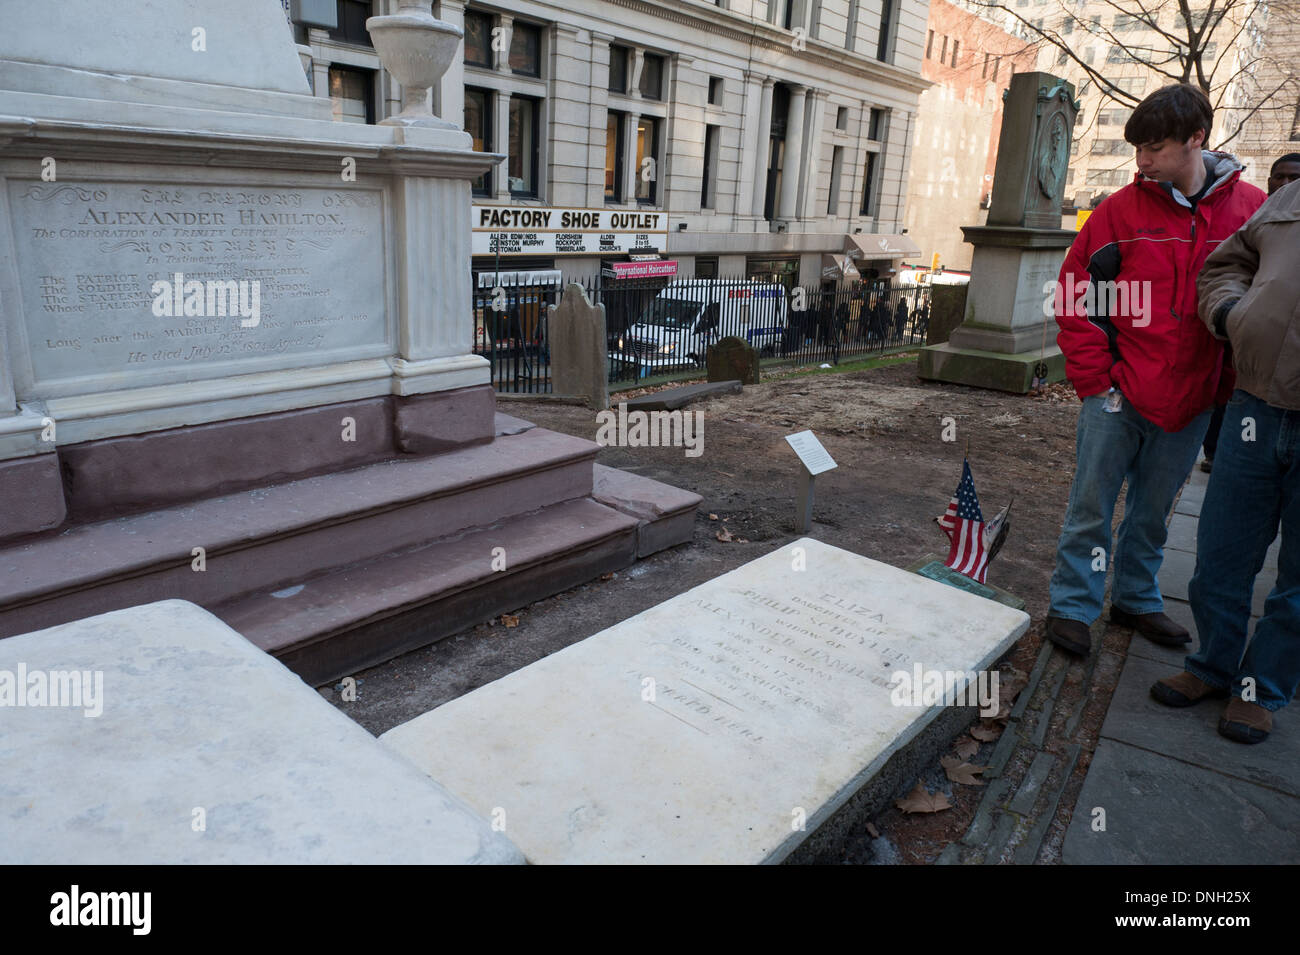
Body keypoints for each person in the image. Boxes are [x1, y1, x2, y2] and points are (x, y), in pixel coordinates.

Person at [1044, 84, 1266, 657]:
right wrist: (1097, 379)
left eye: (1155, 148)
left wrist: (1226, 386)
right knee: (1091, 505)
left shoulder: (1251, 211)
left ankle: (1137, 598)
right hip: (1118, 391)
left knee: (1154, 510)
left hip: (1193, 396)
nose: (1142, 161)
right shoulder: (1121, 209)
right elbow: (1076, 293)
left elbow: (1266, 301)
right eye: (1138, 149)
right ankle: (1073, 604)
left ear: (1197, 139)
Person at [1149, 176, 1300, 743]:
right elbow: (1223, 265)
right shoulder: (1290, 199)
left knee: (1298, 582)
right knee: (1219, 555)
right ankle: (1213, 665)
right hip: (1255, 406)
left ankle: (1261, 687)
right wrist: (1230, 315)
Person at [1197, 153, 1300, 474]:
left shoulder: (1252, 202)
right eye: (1278, 176)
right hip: (1249, 385)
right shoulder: (1265, 210)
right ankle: (1213, 451)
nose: (1284, 183)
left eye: (1292, 177)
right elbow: (1227, 266)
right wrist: (1230, 313)